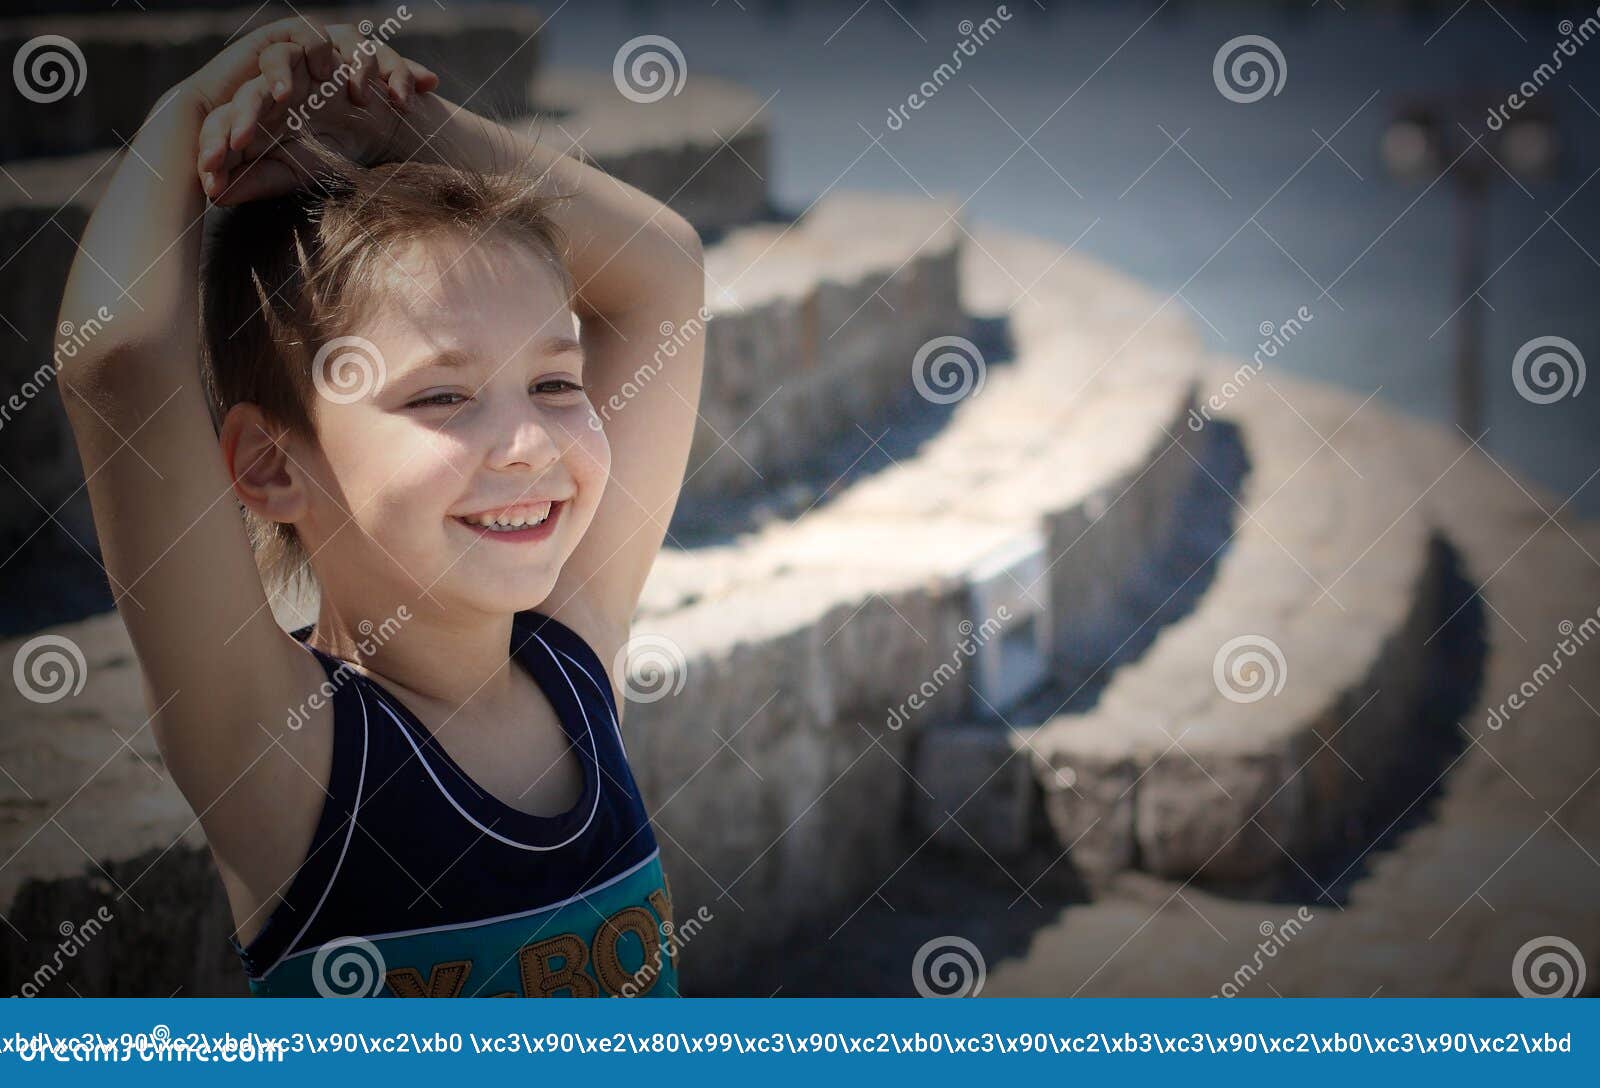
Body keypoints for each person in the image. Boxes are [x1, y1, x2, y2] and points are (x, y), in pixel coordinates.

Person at [53, 16, 705, 997]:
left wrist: (406, 128)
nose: (528, 443)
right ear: (272, 467)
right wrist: (193, 113)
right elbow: (118, 358)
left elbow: (667, 275)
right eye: (442, 397)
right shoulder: (288, 755)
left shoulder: (575, 660)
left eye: (557, 384)